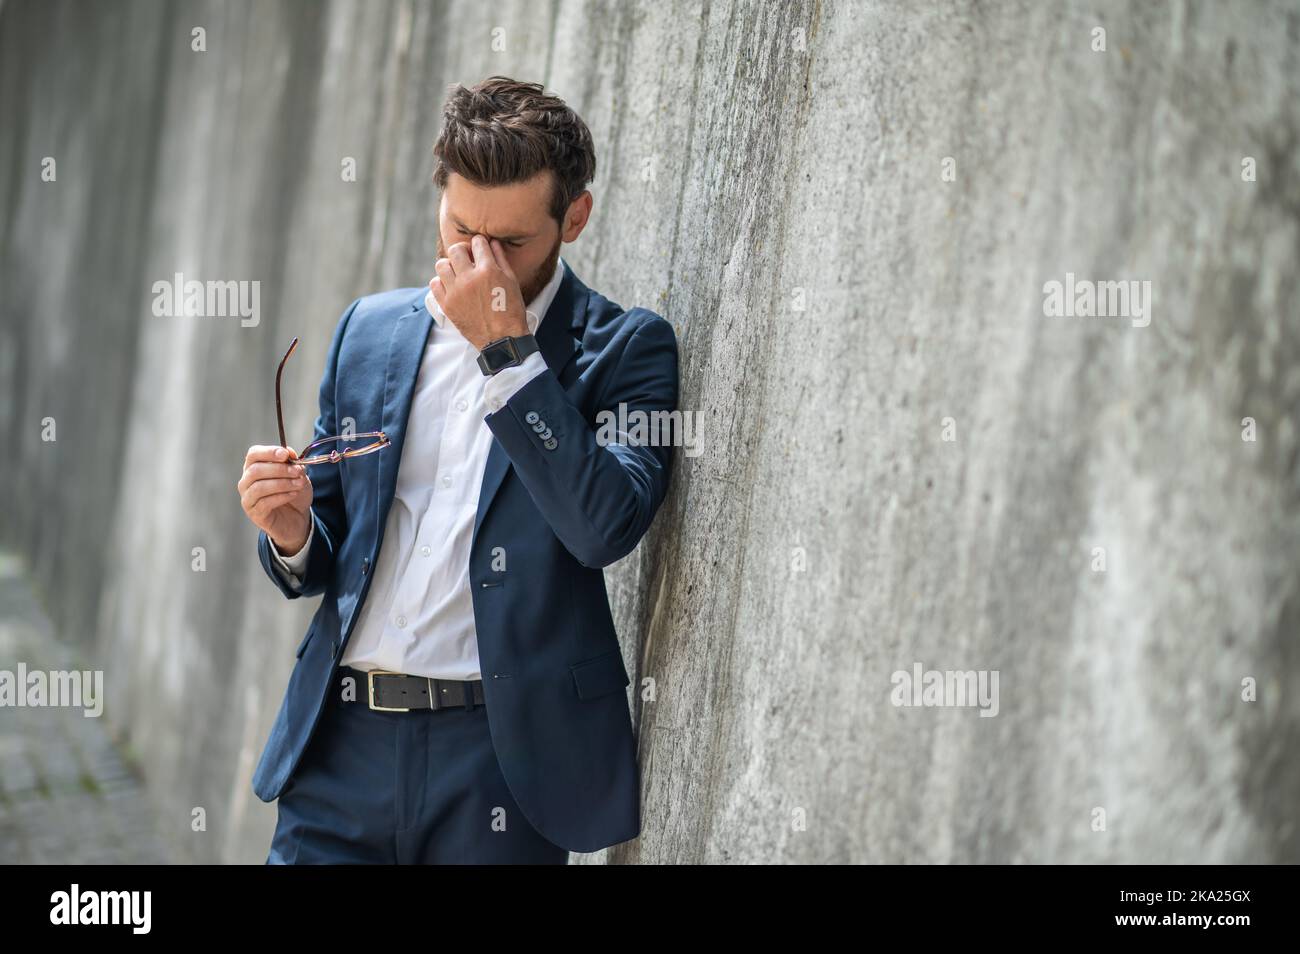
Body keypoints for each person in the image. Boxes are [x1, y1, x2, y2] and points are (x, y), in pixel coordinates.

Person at [236, 75, 678, 864]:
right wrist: (293, 531)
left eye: (510, 242)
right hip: (341, 750)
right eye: (460, 226)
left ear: (573, 218)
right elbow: (326, 553)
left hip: (504, 768)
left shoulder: (628, 350)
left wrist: (508, 356)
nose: (477, 258)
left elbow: (603, 526)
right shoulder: (368, 331)